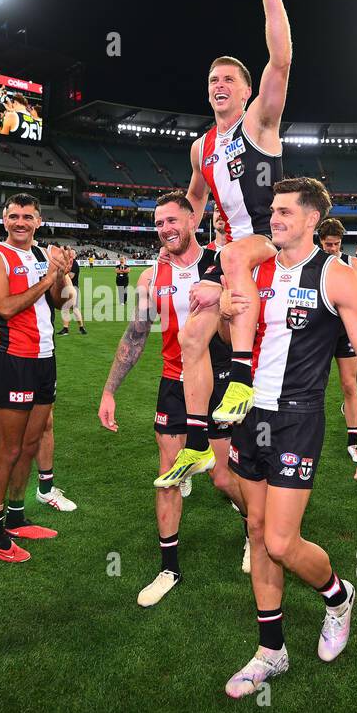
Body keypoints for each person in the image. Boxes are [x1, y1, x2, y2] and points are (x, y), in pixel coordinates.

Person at [223, 178, 357, 699]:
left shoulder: (336, 277)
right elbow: (246, 338)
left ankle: (338, 598)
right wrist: (225, 311)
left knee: (280, 540)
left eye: (285, 212)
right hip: (251, 414)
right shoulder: (259, 269)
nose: (273, 219)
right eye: (272, 211)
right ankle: (271, 651)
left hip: (297, 418)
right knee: (255, 529)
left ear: (313, 220)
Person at [160, 0, 293, 487]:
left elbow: (280, 60)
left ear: (245, 93)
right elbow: (193, 197)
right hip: (229, 249)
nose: (219, 85)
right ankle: (196, 440)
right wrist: (177, 227)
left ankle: (240, 376)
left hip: (270, 238)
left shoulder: (259, 122)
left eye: (228, 80)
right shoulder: (201, 147)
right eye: (212, 80)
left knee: (235, 255)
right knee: (190, 335)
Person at [99, 193, 248, 608]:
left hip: (216, 381)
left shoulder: (220, 264)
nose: (165, 229)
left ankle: (253, 529)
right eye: (158, 223)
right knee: (168, 475)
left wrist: (222, 306)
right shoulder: (150, 277)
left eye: (171, 220)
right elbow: (135, 335)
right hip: (173, 382)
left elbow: (233, 331)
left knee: (222, 476)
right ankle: (169, 567)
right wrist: (110, 391)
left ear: (191, 219)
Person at [0, 194, 73, 562]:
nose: (20, 222)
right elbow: (4, 306)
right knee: (8, 448)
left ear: (38, 220)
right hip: (13, 360)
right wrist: (48, 275)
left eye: (27, 216)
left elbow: (61, 303)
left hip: (44, 359)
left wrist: (60, 273)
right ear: (4, 219)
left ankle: (16, 517)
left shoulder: (39, 256)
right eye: (14, 216)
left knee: (29, 445)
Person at [317, 218, 357, 463]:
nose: (332, 248)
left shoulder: (352, 262)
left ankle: (353, 441)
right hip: (320, 332)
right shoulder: (312, 263)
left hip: (345, 331)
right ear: (320, 242)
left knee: (349, 384)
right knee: (313, 385)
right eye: (328, 244)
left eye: (336, 244)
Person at [58, 251, 86, 336]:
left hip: (73, 288)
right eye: (69, 254)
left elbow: (71, 276)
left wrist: (62, 273)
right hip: (67, 288)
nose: (70, 255)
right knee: (66, 308)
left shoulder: (74, 264)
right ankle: (66, 328)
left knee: (74, 308)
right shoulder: (68, 263)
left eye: (72, 254)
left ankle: (81, 327)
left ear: (74, 255)